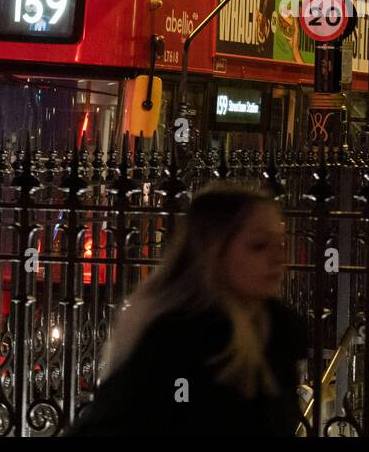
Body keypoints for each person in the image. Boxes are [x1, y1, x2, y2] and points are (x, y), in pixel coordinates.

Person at [68, 183, 305, 436]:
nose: (278, 258)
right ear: (215, 251)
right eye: (258, 245)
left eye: (280, 243)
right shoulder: (179, 338)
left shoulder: (278, 332)